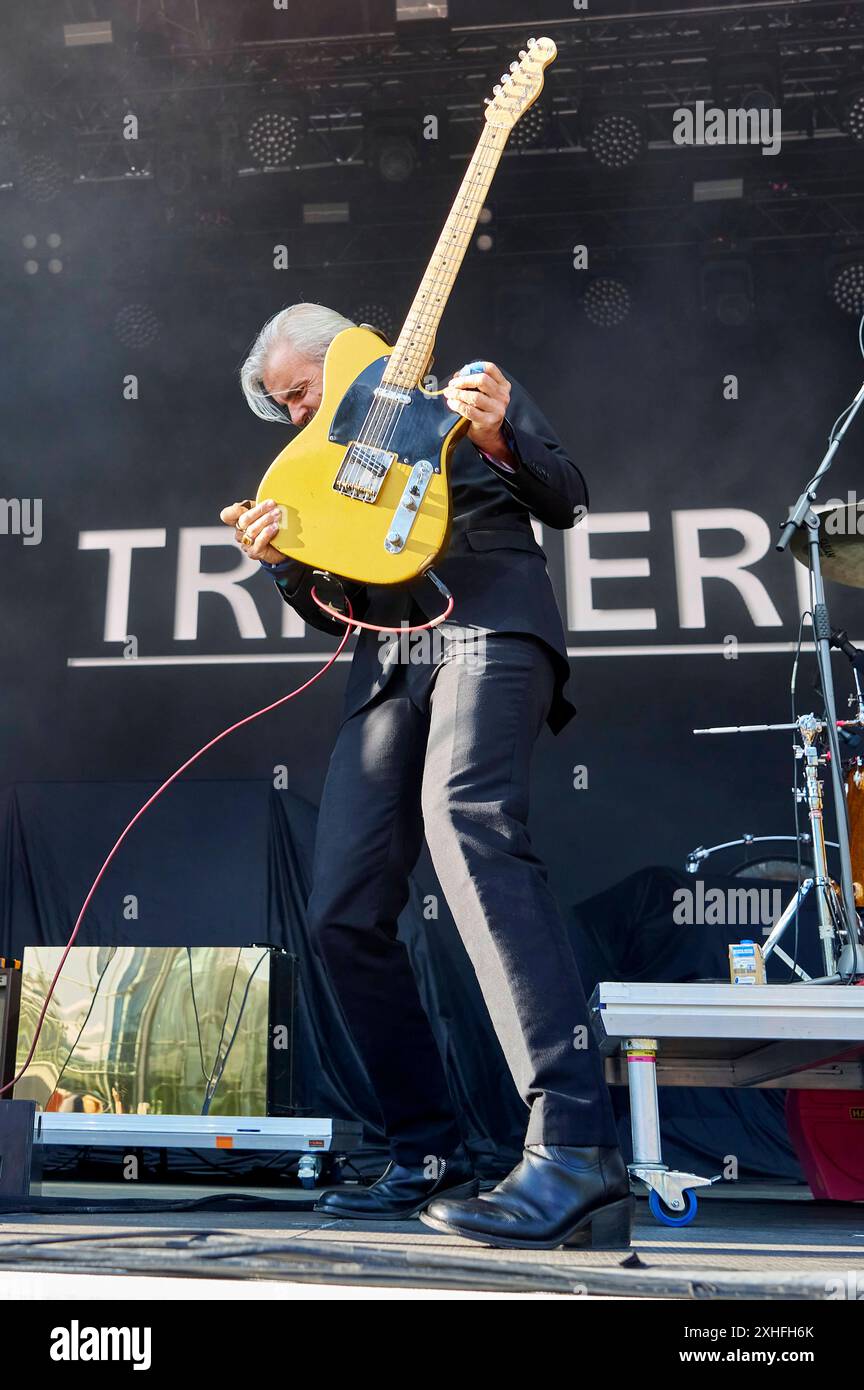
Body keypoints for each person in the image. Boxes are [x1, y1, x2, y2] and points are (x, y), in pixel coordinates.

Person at [220, 302, 632, 1250]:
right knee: (341, 907)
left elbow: (565, 494)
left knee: (469, 824)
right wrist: (285, 565)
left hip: (490, 623)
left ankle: (574, 1145)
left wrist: (494, 436)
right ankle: (424, 1152)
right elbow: (339, 607)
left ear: (348, 356)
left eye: (298, 393)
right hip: (390, 666)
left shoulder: (457, 396)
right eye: (280, 408)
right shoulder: (322, 466)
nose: (292, 417)